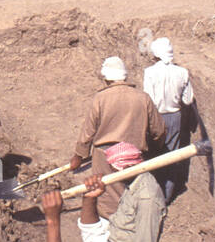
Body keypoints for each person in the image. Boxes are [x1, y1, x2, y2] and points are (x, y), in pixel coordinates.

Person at [68, 56, 166, 218]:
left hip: (105, 156)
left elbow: (88, 132)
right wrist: (154, 149)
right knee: (132, 190)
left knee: (107, 196)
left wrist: (79, 155)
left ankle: (113, 227)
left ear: (106, 79)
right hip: (134, 155)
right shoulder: (143, 98)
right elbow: (159, 130)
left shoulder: (100, 98)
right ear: (125, 77)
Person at [98, 142, 167, 242]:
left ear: (128, 167)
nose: (113, 173)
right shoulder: (135, 182)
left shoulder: (147, 197)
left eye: (115, 170)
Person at [143, 37, 194, 202]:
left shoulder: (149, 72)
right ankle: (165, 198)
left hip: (154, 117)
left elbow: (147, 100)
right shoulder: (182, 72)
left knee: (152, 155)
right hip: (174, 116)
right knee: (171, 156)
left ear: (155, 54)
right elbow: (187, 100)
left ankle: (152, 196)